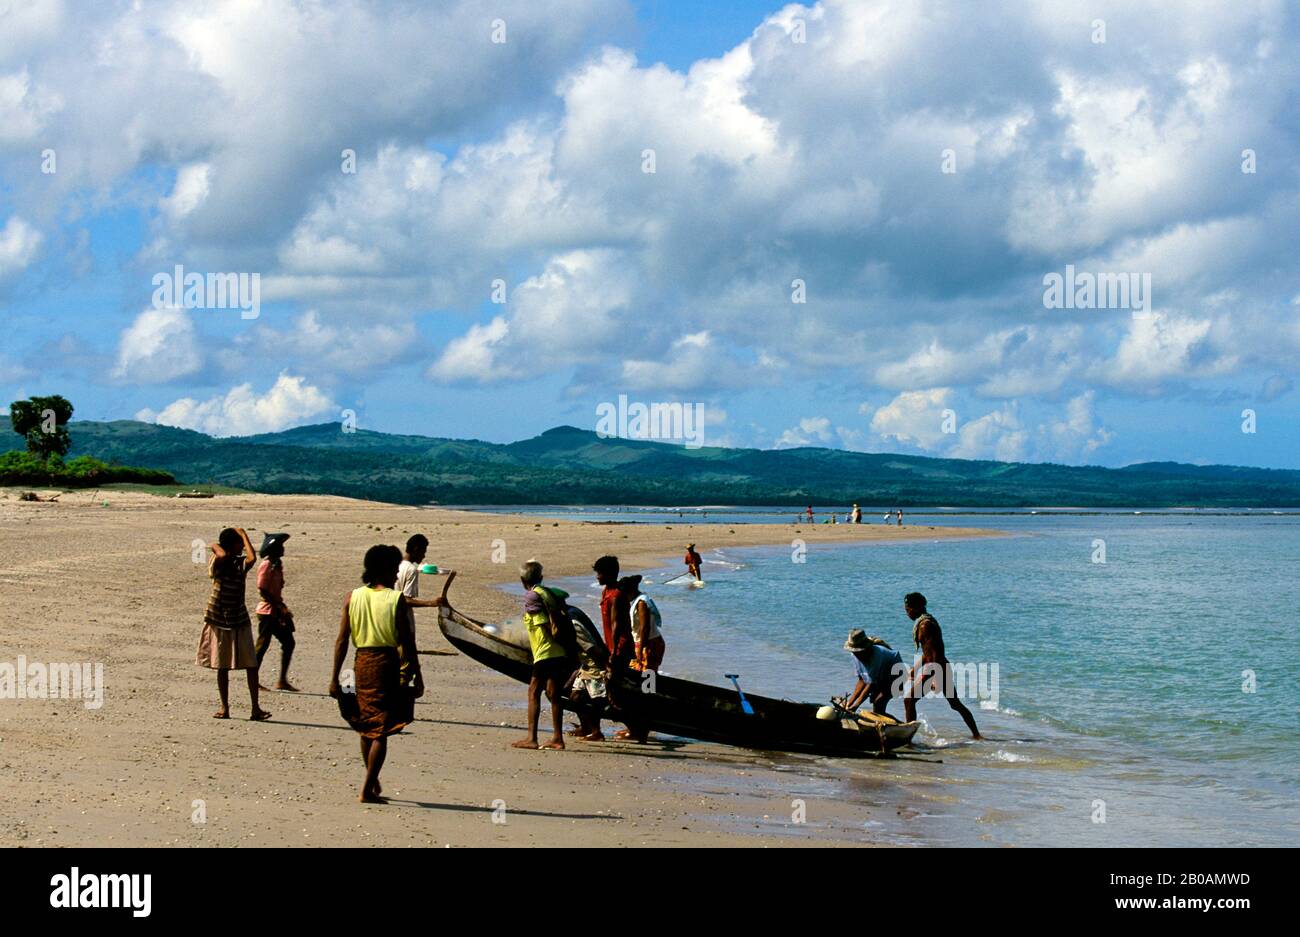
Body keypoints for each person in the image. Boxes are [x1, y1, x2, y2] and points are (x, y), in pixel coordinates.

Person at [329, 545, 425, 803]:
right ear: (384, 568)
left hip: (361, 663)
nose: (397, 573)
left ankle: (371, 781)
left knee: (365, 724)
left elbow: (341, 641)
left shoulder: (353, 596)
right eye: (394, 567)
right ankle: (368, 787)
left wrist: (334, 676)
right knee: (381, 729)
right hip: (386, 664)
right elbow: (408, 642)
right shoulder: (396, 600)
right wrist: (417, 676)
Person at [197, 527, 270, 721]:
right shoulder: (218, 562)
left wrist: (244, 535)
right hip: (219, 618)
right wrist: (219, 544)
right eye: (239, 543)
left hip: (238, 617)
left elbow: (253, 558)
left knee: (251, 664)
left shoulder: (239, 563)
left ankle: (255, 708)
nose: (242, 546)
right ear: (230, 545)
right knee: (222, 666)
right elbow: (219, 552)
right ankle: (224, 707)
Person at [901, 592, 982, 739]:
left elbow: (935, 654)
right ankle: (976, 735)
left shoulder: (925, 625)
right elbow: (928, 652)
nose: (907, 612)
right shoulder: (924, 622)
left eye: (908, 609)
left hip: (936, 667)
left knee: (909, 700)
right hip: (938, 666)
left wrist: (935, 678)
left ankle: (907, 739)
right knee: (955, 704)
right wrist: (915, 669)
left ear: (917, 607)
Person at [513, 561, 572, 751]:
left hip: (545, 651)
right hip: (558, 651)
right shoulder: (546, 592)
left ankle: (532, 738)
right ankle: (557, 738)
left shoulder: (531, 597)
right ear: (541, 578)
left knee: (533, 691)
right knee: (554, 694)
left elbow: (542, 624)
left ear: (523, 581)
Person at [394, 534, 450, 689]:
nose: (424, 555)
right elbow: (405, 600)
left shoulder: (395, 565)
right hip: (402, 626)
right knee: (404, 671)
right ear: (416, 549)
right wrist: (432, 603)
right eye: (423, 551)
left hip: (387, 626)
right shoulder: (411, 570)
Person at [254, 532, 296, 692]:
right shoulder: (266, 565)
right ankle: (254, 680)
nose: (283, 548)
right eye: (280, 546)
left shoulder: (277, 565)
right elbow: (263, 589)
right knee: (262, 646)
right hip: (267, 612)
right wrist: (280, 607)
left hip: (276, 610)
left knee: (288, 643)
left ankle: (282, 680)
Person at [841, 630, 905, 716]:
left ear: (864, 649)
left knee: (878, 702)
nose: (856, 654)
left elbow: (870, 684)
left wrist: (856, 705)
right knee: (877, 706)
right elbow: (862, 680)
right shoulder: (855, 655)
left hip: (896, 675)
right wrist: (849, 703)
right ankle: (886, 724)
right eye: (854, 652)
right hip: (881, 676)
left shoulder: (877, 655)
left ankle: (898, 726)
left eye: (857, 651)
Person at [620, 575, 665, 673]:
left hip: (649, 644)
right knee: (642, 675)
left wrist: (640, 651)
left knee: (647, 677)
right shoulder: (638, 600)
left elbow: (645, 627)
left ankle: (651, 688)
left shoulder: (641, 603)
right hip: (645, 642)